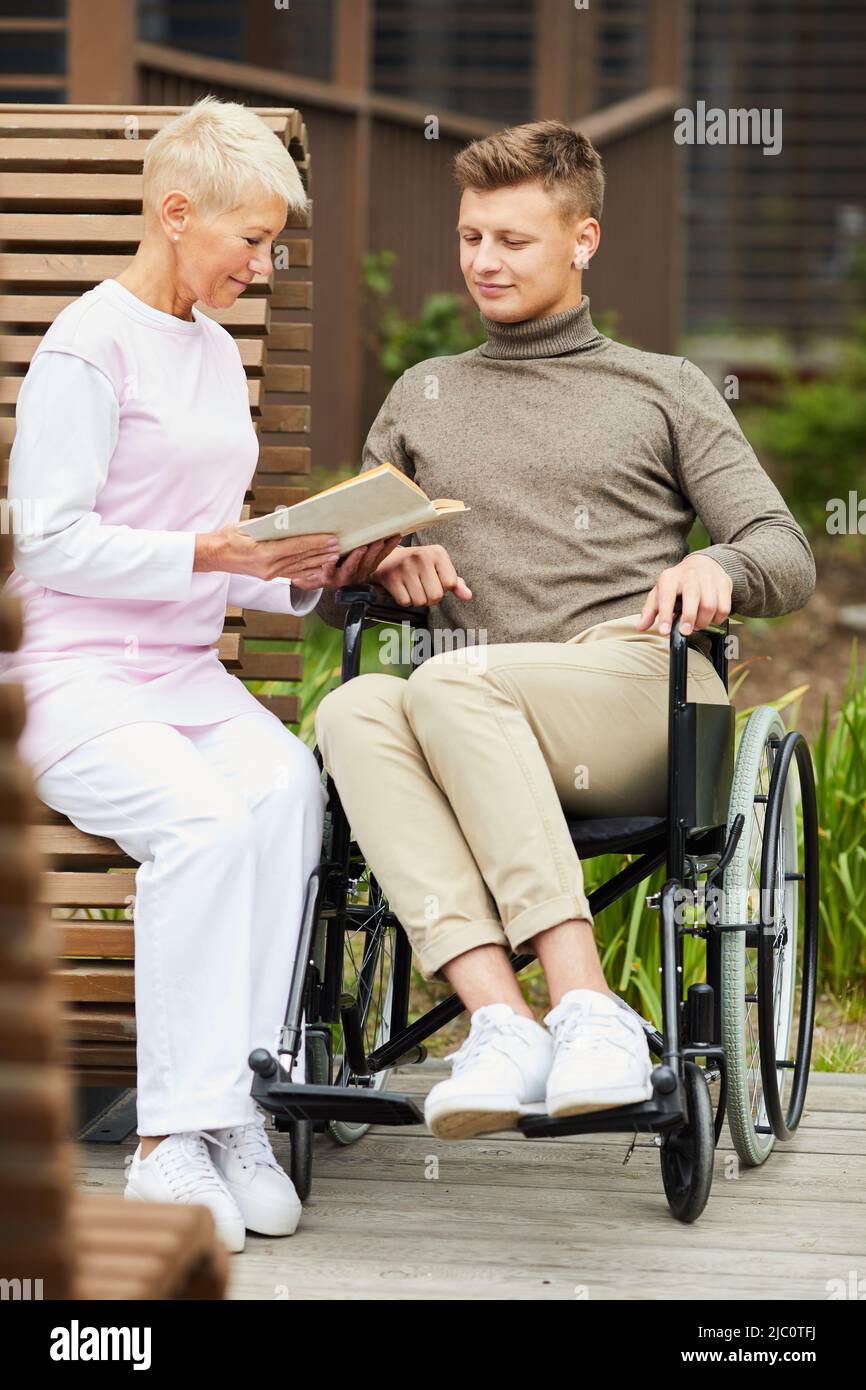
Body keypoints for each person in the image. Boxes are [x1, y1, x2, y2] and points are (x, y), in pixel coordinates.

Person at [313, 120, 816, 1142]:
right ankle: (503, 1020)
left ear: (582, 240)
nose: (482, 262)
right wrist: (376, 562)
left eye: (512, 240)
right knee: (356, 702)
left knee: (450, 685)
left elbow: (784, 549)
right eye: (469, 238)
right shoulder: (423, 394)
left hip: (632, 691)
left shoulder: (662, 388)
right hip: (462, 701)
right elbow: (335, 587)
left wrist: (710, 562)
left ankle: (589, 1007)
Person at [0, 95, 400, 1252]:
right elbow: (46, 540)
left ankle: (234, 1108)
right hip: (72, 675)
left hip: (180, 674)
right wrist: (205, 549)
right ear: (177, 214)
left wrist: (308, 567)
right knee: (201, 826)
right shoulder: (88, 344)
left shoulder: (218, 354)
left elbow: (218, 555)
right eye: (251, 240)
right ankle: (167, 1142)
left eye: (275, 245)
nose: (263, 265)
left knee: (286, 791)